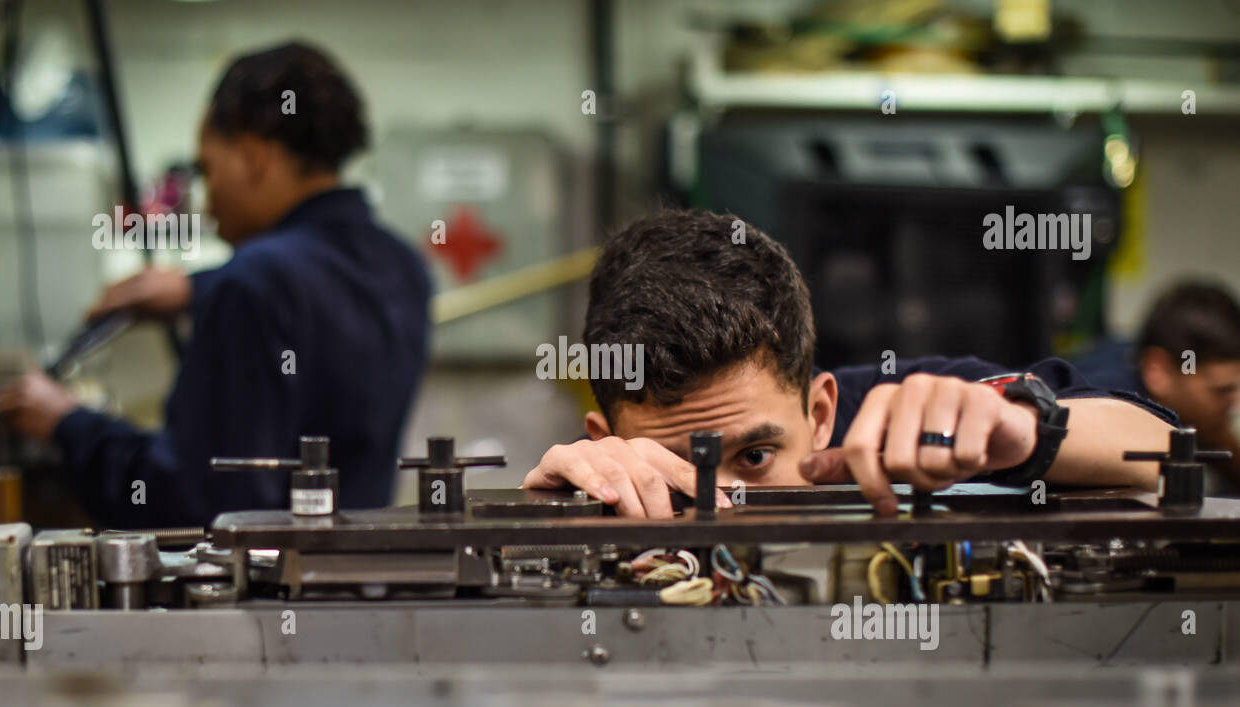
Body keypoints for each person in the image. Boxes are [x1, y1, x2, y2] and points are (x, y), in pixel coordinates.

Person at [0, 42, 431, 527]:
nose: (207, 199)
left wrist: (68, 423)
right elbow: (317, 287)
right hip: (364, 577)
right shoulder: (403, 265)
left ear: (254, 157)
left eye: (207, 169)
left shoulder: (253, 281)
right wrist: (196, 289)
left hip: (263, 592)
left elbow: (194, 500)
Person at [523, 210, 1177, 518]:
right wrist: (558, 512)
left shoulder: (920, 411)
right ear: (606, 437)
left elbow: (1165, 451)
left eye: (754, 457)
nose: (719, 502)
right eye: (679, 469)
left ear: (821, 411)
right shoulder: (602, 475)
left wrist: (1029, 437)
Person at [1072, 281, 1240, 494]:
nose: (1234, 405)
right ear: (1158, 370)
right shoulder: (1100, 410)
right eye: (1220, 390)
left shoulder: (1135, 357)